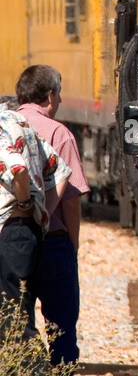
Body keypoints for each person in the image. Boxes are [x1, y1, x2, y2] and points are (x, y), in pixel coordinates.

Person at [16, 66, 89, 376]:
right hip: (54, 242)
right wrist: (73, 245)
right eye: (58, 95)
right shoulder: (60, 133)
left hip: (13, 242)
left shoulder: (7, 128)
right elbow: (71, 198)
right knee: (61, 328)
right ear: (49, 97)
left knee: (18, 323)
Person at [0, 102, 72, 336]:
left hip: (10, 231)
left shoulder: (0, 129)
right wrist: (44, 214)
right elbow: (60, 170)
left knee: (14, 322)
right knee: (22, 310)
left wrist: (24, 203)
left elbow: (17, 169)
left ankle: (32, 372)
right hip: (28, 230)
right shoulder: (21, 123)